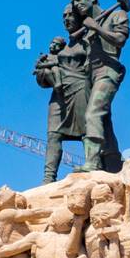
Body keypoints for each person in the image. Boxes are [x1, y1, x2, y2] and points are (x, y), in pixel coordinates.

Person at [63, 0, 129, 172]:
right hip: (90, 77)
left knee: (92, 114)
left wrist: (97, 28)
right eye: (73, 2)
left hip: (108, 71)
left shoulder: (117, 16)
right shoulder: (86, 26)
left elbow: (119, 40)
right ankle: (113, 162)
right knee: (104, 120)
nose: (76, 4)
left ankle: (92, 162)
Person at [34, 35, 90, 184]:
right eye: (65, 16)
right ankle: (48, 177)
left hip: (79, 89)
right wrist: (41, 71)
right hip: (59, 97)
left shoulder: (86, 42)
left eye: (70, 15)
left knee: (87, 132)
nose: (67, 19)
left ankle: (92, 166)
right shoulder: (52, 55)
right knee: (53, 135)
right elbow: (42, 82)